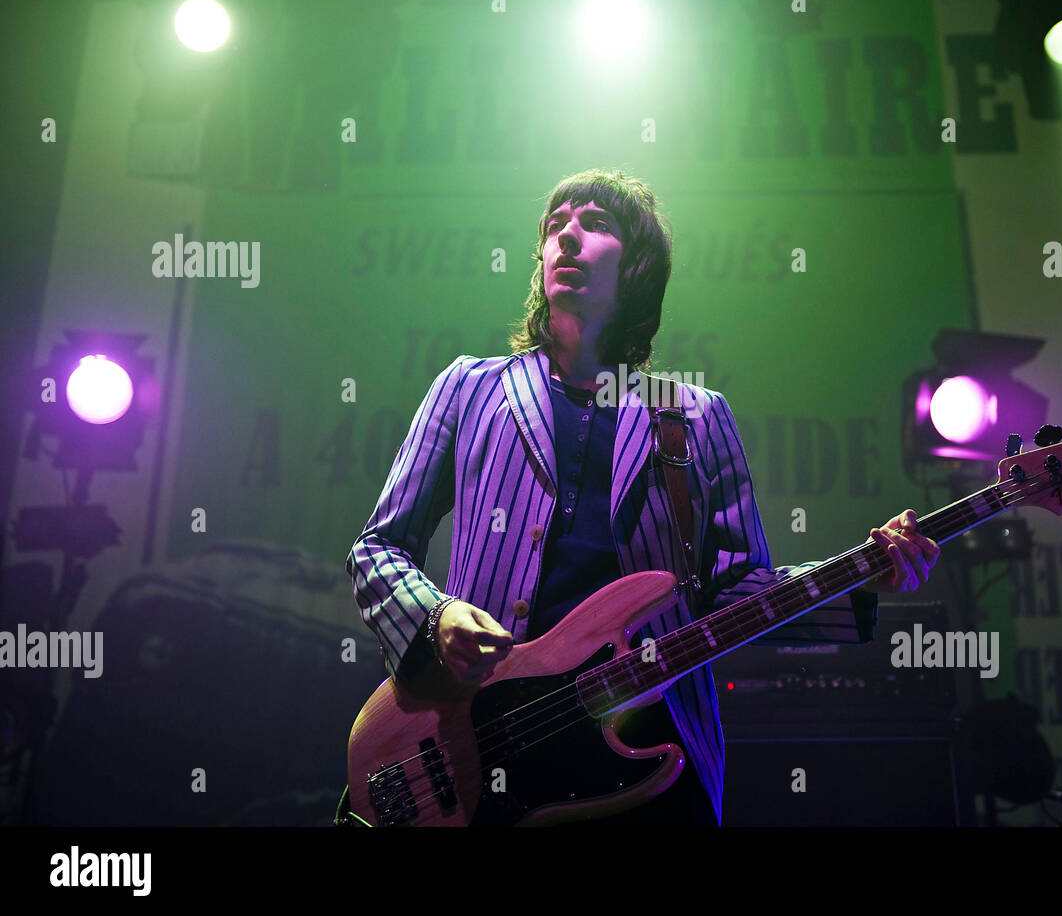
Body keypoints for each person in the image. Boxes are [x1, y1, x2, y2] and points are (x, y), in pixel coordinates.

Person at [344, 168, 940, 826]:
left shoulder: (693, 414)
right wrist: (438, 618)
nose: (566, 237)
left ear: (638, 267)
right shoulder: (469, 388)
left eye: (594, 223)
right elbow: (378, 549)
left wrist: (862, 575)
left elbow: (739, 590)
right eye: (553, 226)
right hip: (480, 748)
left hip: (651, 761)